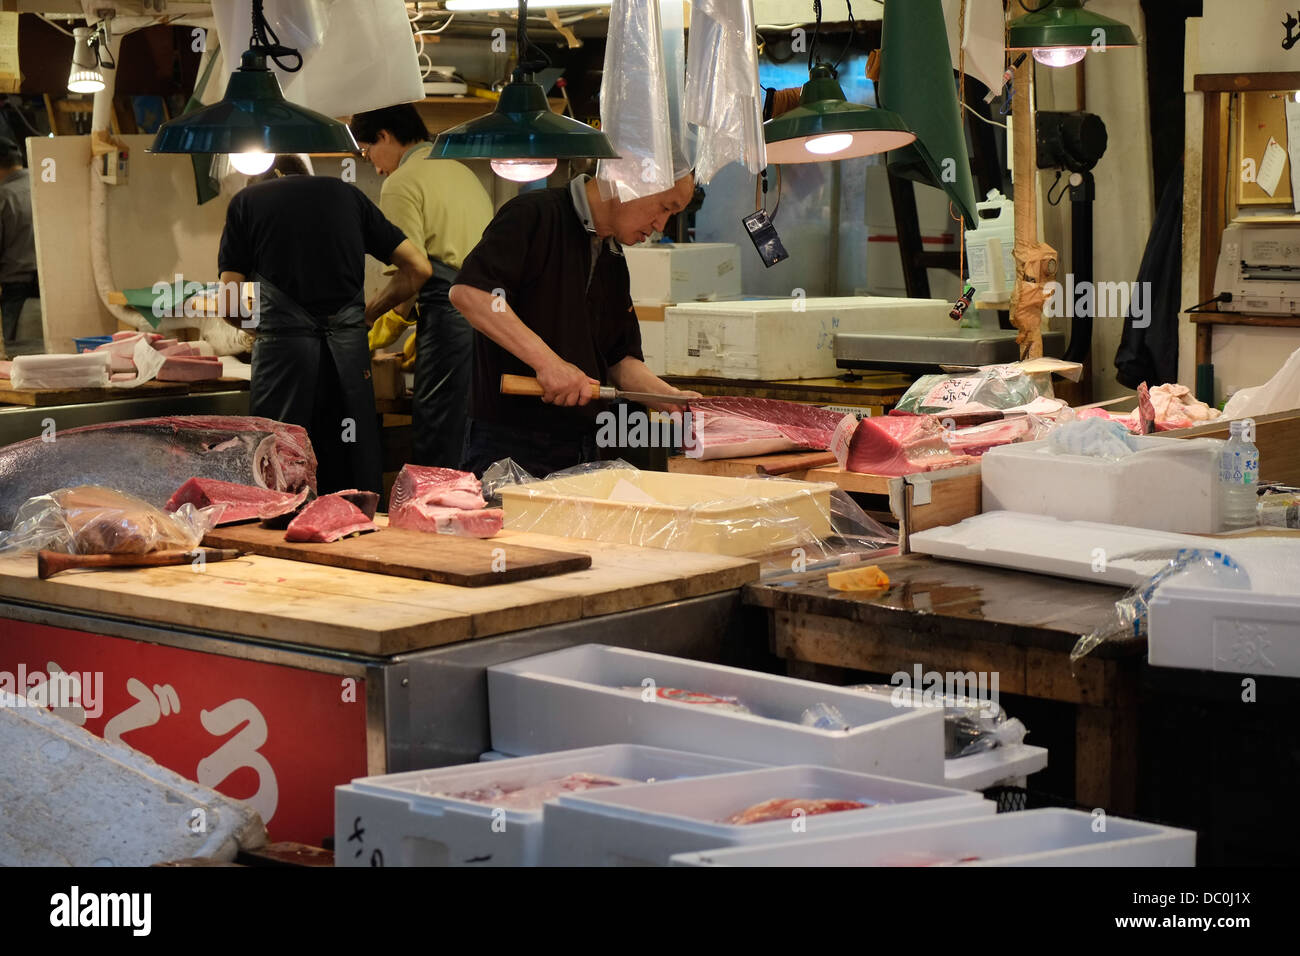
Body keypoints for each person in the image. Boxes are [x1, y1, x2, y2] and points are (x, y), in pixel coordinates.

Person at [449, 171, 701, 477]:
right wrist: (549, 364)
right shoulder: (534, 215)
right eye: (665, 207)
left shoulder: (611, 254)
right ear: (631, 183)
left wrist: (668, 398)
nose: (662, 225)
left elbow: (618, 358)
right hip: (510, 443)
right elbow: (477, 293)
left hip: (584, 446)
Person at [217, 167, 432, 495]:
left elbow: (229, 305)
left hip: (285, 360)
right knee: (352, 466)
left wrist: (269, 329)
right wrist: (368, 314)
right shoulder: (348, 195)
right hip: (350, 354)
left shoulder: (246, 202)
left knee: (281, 470)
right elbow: (420, 268)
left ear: (270, 172)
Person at [350, 105, 494, 469]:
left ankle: (434, 519)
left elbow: (415, 272)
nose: (375, 166)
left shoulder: (401, 181)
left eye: (368, 152)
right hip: (492, 322)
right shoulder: (461, 171)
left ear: (385, 135)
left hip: (451, 319)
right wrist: (404, 319)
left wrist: (368, 316)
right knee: (471, 432)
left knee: (438, 432)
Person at [0, 137, 37, 353]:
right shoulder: (44, 185)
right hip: (49, 289)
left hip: (15, 291)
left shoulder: (4, 196)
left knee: (12, 359)